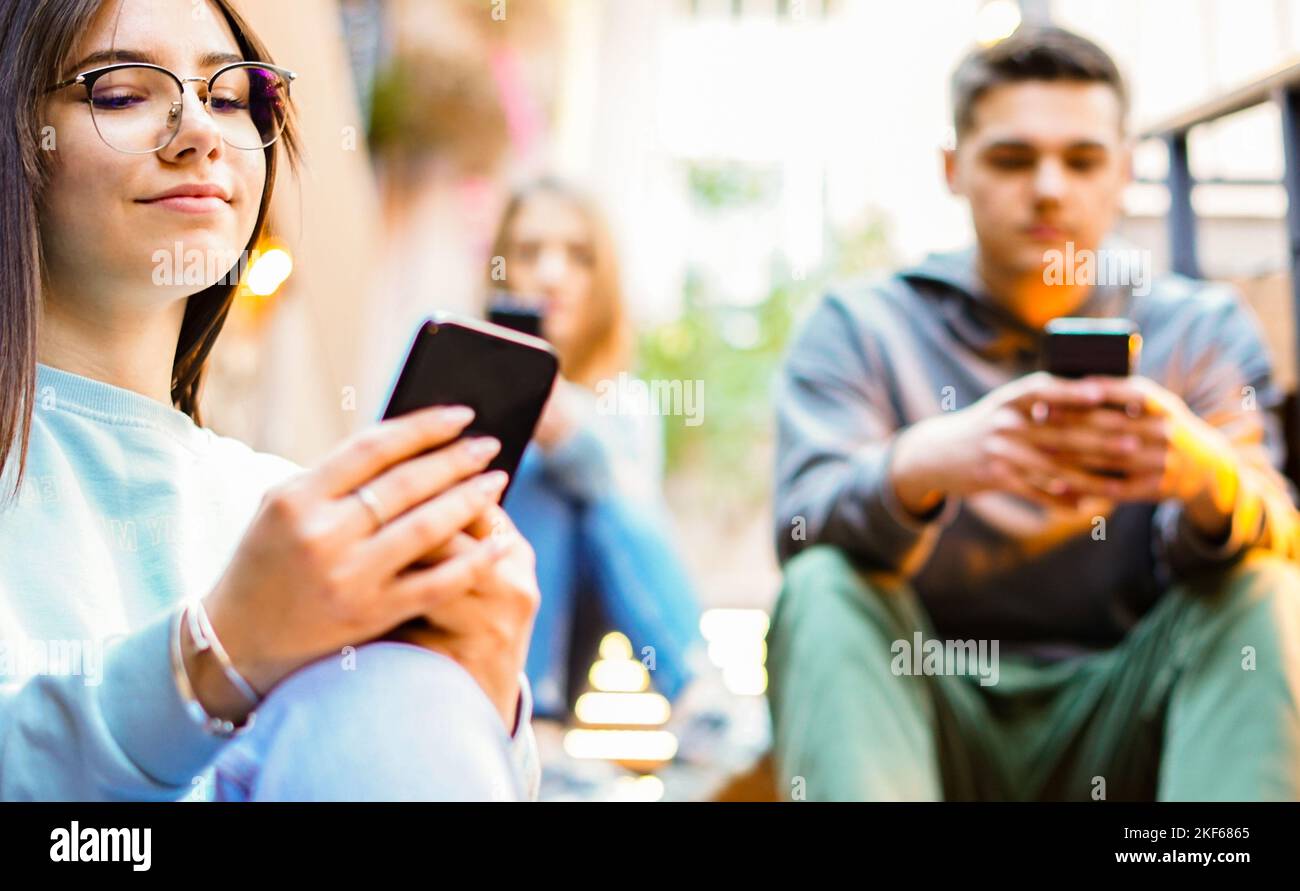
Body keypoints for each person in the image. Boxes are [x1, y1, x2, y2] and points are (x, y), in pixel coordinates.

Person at [0, 0, 539, 801]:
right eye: (119, 92)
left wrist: (488, 692)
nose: (201, 133)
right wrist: (210, 660)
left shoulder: (290, 514)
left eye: (229, 95)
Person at [769, 25, 1300, 801]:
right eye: (1013, 159)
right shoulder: (861, 327)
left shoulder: (1202, 332)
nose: (1050, 188)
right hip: (924, 713)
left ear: (1124, 171)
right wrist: (925, 463)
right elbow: (798, 530)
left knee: (1264, 580)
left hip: (1127, 716)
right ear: (954, 170)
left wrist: (1202, 477)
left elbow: (1276, 524)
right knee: (822, 585)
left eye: (1082, 160)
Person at [490, 178, 707, 720]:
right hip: (459, 623)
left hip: (574, 628)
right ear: (501, 264)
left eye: (578, 256)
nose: (551, 274)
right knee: (548, 473)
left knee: (589, 477)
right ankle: (695, 695)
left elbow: (630, 532)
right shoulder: (453, 360)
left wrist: (570, 433)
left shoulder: (630, 406)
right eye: (528, 252)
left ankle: (698, 699)